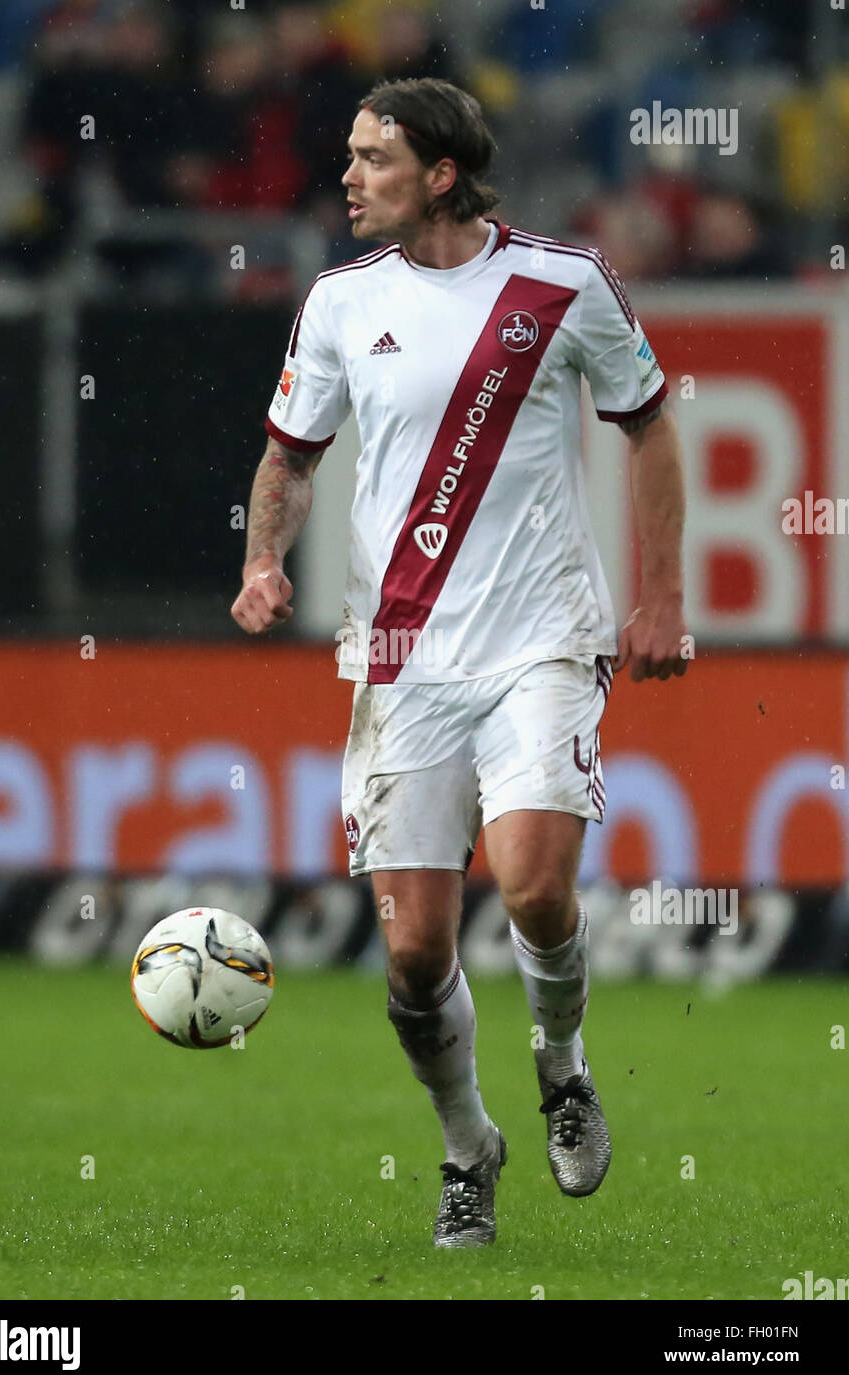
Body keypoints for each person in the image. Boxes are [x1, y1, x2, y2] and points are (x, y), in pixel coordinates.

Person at [232, 76, 688, 1248]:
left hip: (541, 636)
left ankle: (565, 1066)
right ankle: (465, 1147)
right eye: (346, 153)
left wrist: (659, 595)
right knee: (413, 950)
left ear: (440, 172)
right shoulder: (337, 303)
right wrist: (262, 561)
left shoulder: (560, 282)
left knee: (534, 883)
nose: (347, 176)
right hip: (398, 657)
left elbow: (646, 423)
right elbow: (288, 454)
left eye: (372, 157)